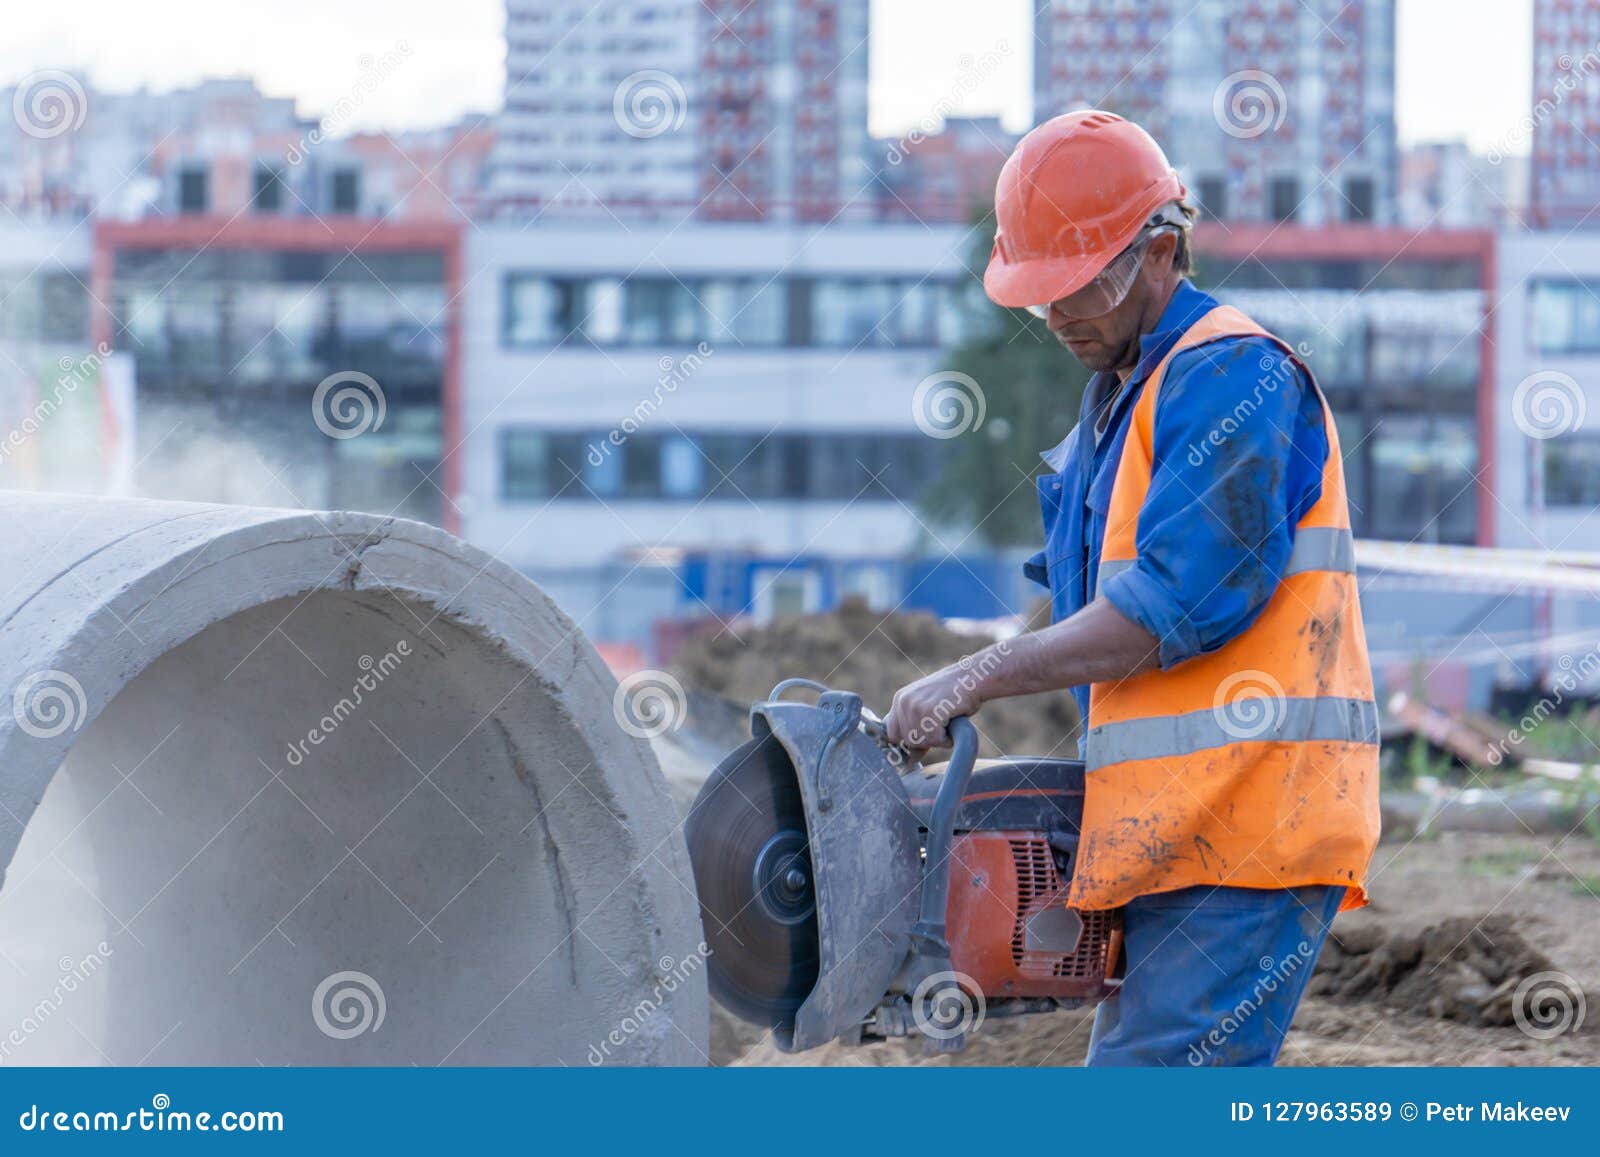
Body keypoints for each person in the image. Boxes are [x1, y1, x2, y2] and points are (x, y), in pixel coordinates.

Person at [884, 110, 1380, 1067]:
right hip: (1182, 829)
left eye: (1079, 286)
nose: (1059, 315)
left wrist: (973, 677)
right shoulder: (1124, 394)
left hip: (1251, 825)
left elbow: (1170, 608)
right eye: (1041, 296)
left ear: (1160, 252)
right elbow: (1095, 608)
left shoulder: (1229, 375)